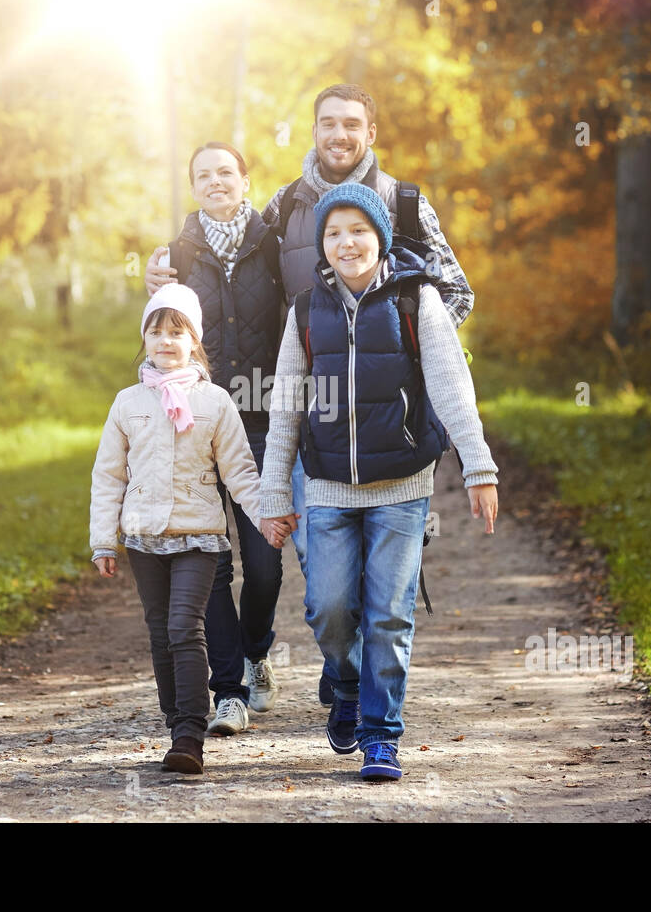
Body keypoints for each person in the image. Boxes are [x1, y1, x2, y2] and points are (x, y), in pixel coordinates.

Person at [149, 85, 475, 706]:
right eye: (329, 123)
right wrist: (160, 277)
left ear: (370, 133)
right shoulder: (284, 207)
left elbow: (455, 292)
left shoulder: (404, 203)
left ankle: (356, 685)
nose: (340, 135)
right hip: (297, 411)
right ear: (316, 131)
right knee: (311, 548)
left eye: (352, 124)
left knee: (373, 551)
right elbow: (234, 258)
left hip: (384, 420)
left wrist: (395, 356)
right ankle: (339, 659)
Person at [256, 183, 499, 782]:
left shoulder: (416, 300)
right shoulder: (306, 309)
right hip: (329, 486)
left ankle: (381, 736)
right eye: (334, 233)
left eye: (358, 230)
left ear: (380, 236)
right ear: (322, 243)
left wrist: (480, 466)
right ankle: (344, 682)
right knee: (329, 609)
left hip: (403, 484)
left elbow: (451, 388)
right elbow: (286, 407)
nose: (347, 243)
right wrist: (272, 494)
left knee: (389, 614)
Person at [89, 283, 290, 774]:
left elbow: (240, 470)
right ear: (145, 340)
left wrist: (266, 513)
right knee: (160, 631)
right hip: (144, 536)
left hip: (198, 534)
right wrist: (103, 540)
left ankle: (190, 735)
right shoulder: (128, 402)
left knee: (184, 624)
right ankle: (174, 719)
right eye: (156, 331)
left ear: (195, 341)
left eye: (176, 331)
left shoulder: (215, 401)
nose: (165, 341)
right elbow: (108, 475)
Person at [156, 142, 289, 735]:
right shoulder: (175, 257)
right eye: (203, 174)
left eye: (225, 172)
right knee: (212, 566)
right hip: (198, 428)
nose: (215, 181)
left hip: (262, 424)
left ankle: (258, 649)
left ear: (245, 179)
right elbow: (163, 336)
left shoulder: (277, 244)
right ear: (193, 186)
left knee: (264, 566)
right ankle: (228, 688)